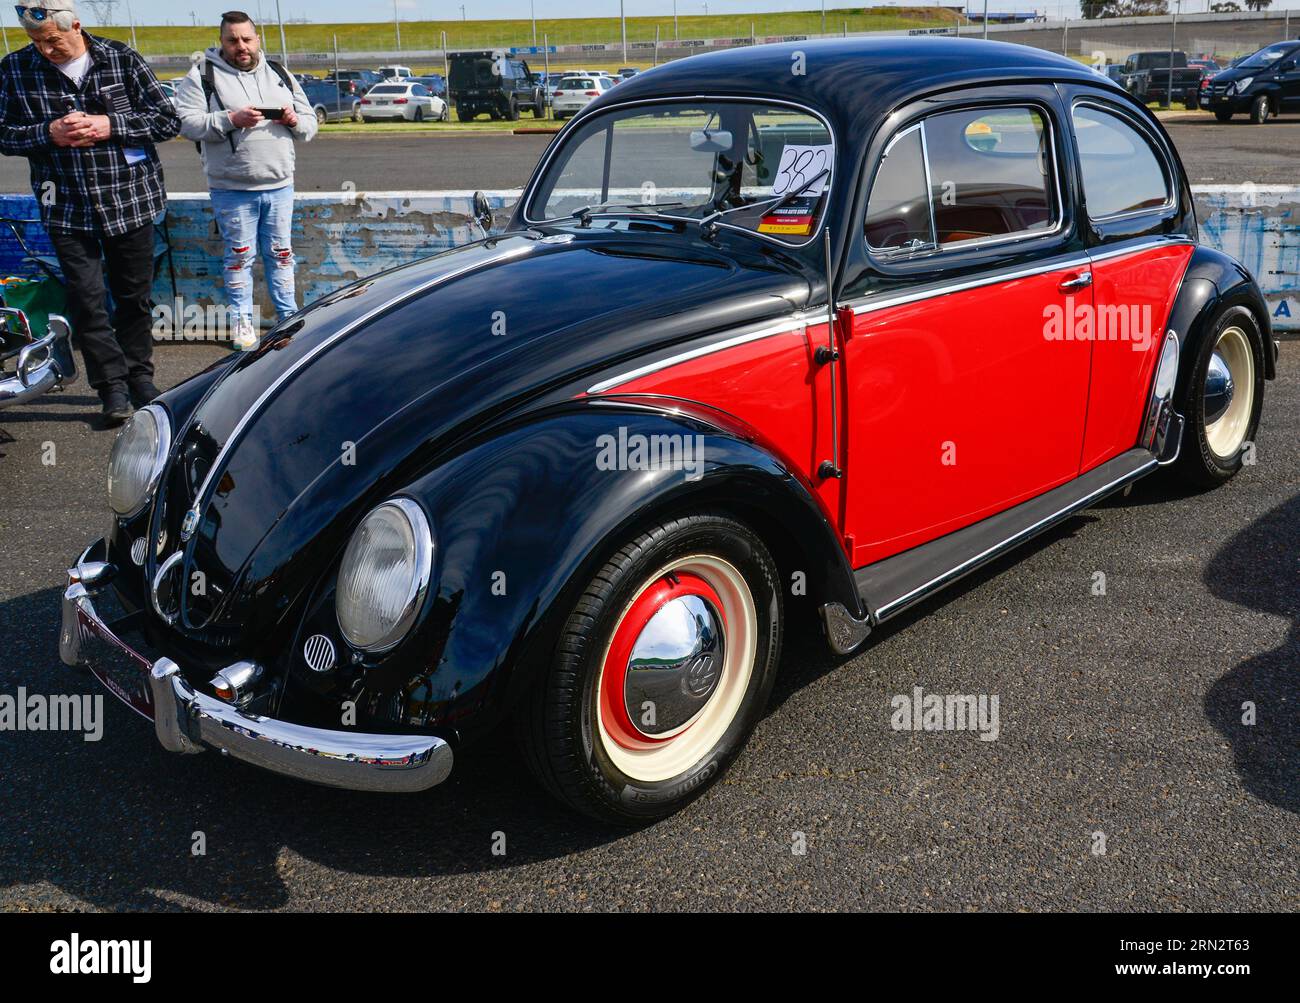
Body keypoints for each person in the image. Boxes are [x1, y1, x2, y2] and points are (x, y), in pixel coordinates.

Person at [0, 1, 180, 425]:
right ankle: (111, 388)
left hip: (129, 200)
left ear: (76, 26)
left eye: (53, 40)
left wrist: (110, 125)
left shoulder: (122, 58)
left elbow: (166, 121)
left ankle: (140, 377)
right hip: (65, 206)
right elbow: (4, 133)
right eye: (36, 42)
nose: (45, 50)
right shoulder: (14, 69)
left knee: (133, 297)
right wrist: (48, 133)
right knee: (87, 300)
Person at [174, 11, 316, 350]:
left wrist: (295, 121)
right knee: (239, 256)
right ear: (221, 42)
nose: (241, 46)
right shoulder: (202, 76)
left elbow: (310, 123)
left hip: (280, 185)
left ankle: (288, 318)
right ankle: (242, 324)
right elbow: (183, 123)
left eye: (246, 39)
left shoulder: (279, 73)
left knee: (282, 255)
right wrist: (230, 119)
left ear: (257, 39)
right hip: (232, 189)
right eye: (232, 40)